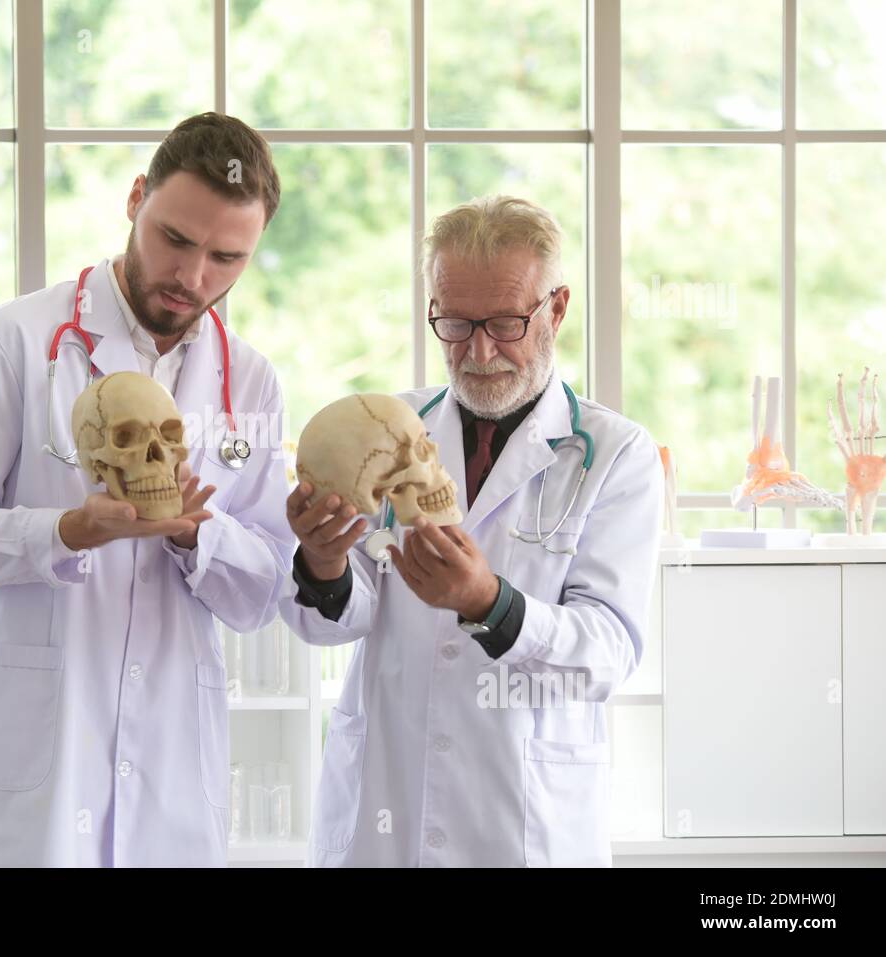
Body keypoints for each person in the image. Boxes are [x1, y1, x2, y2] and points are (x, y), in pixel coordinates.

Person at [0, 113, 294, 866]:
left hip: (173, 784)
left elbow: (263, 592)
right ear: (136, 197)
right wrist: (65, 532)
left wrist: (194, 533)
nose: (193, 277)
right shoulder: (15, 342)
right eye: (175, 239)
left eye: (226, 257)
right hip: (31, 784)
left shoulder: (251, 381)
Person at [281, 196, 664, 866]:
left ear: (557, 307)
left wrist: (491, 603)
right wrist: (322, 561)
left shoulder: (615, 454)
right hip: (386, 810)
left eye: (507, 322)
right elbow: (338, 620)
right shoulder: (391, 428)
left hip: (523, 822)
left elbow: (608, 653)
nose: (479, 351)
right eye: (455, 323)